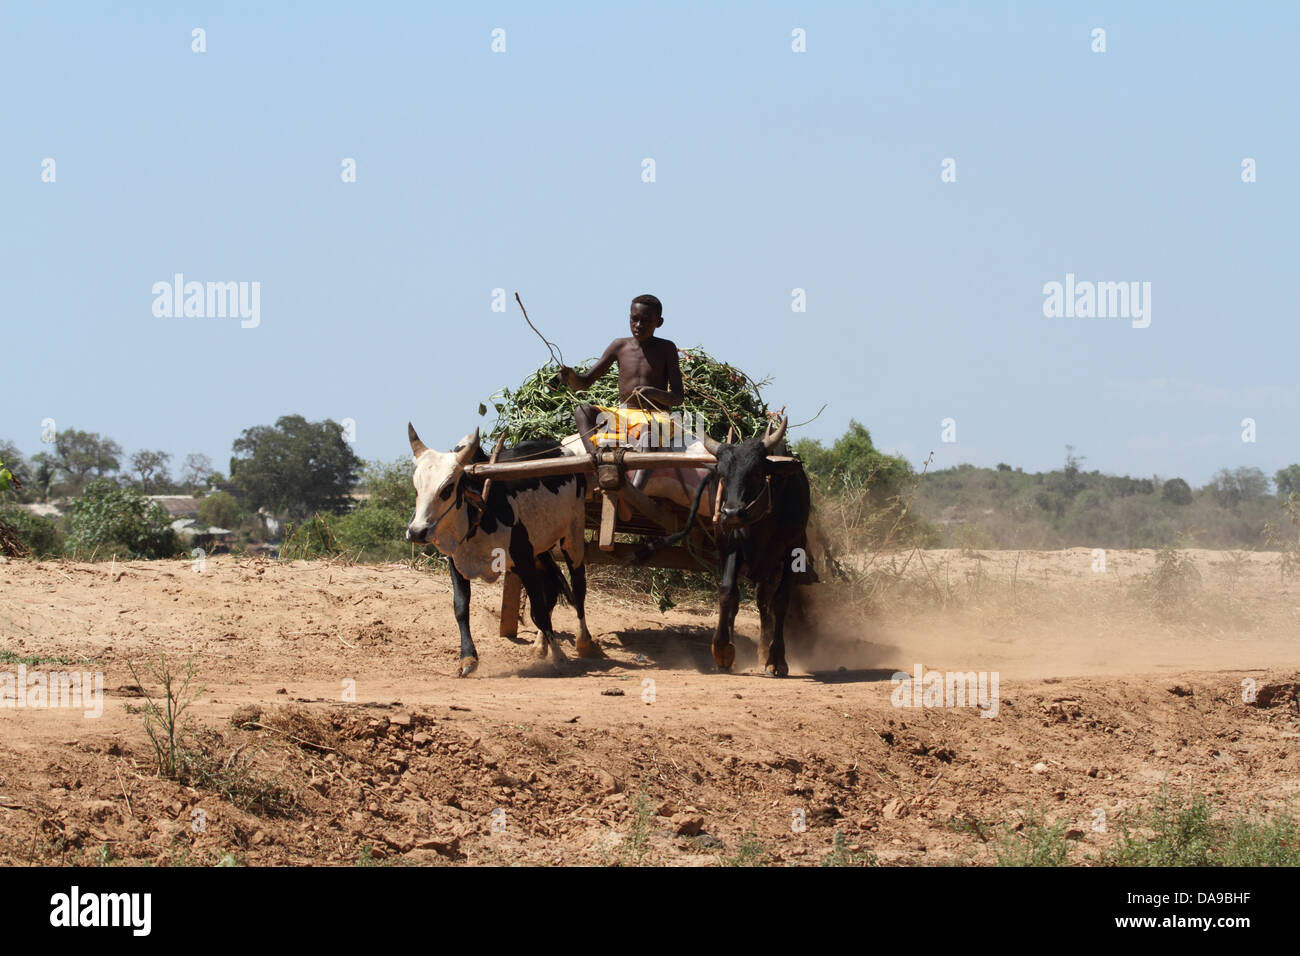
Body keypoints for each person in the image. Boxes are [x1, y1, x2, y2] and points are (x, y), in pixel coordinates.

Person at [557, 294, 686, 466]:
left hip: (655, 416)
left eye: (645, 320)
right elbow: (584, 383)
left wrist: (652, 393)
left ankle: (637, 488)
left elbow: (678, 398)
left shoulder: (666, 348)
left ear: (659, 322)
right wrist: (570, 376)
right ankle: (596, 460)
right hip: (623, 414)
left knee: (648, 432)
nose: (638, 325)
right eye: (634, 319)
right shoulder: (619, 346)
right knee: (582, 410)